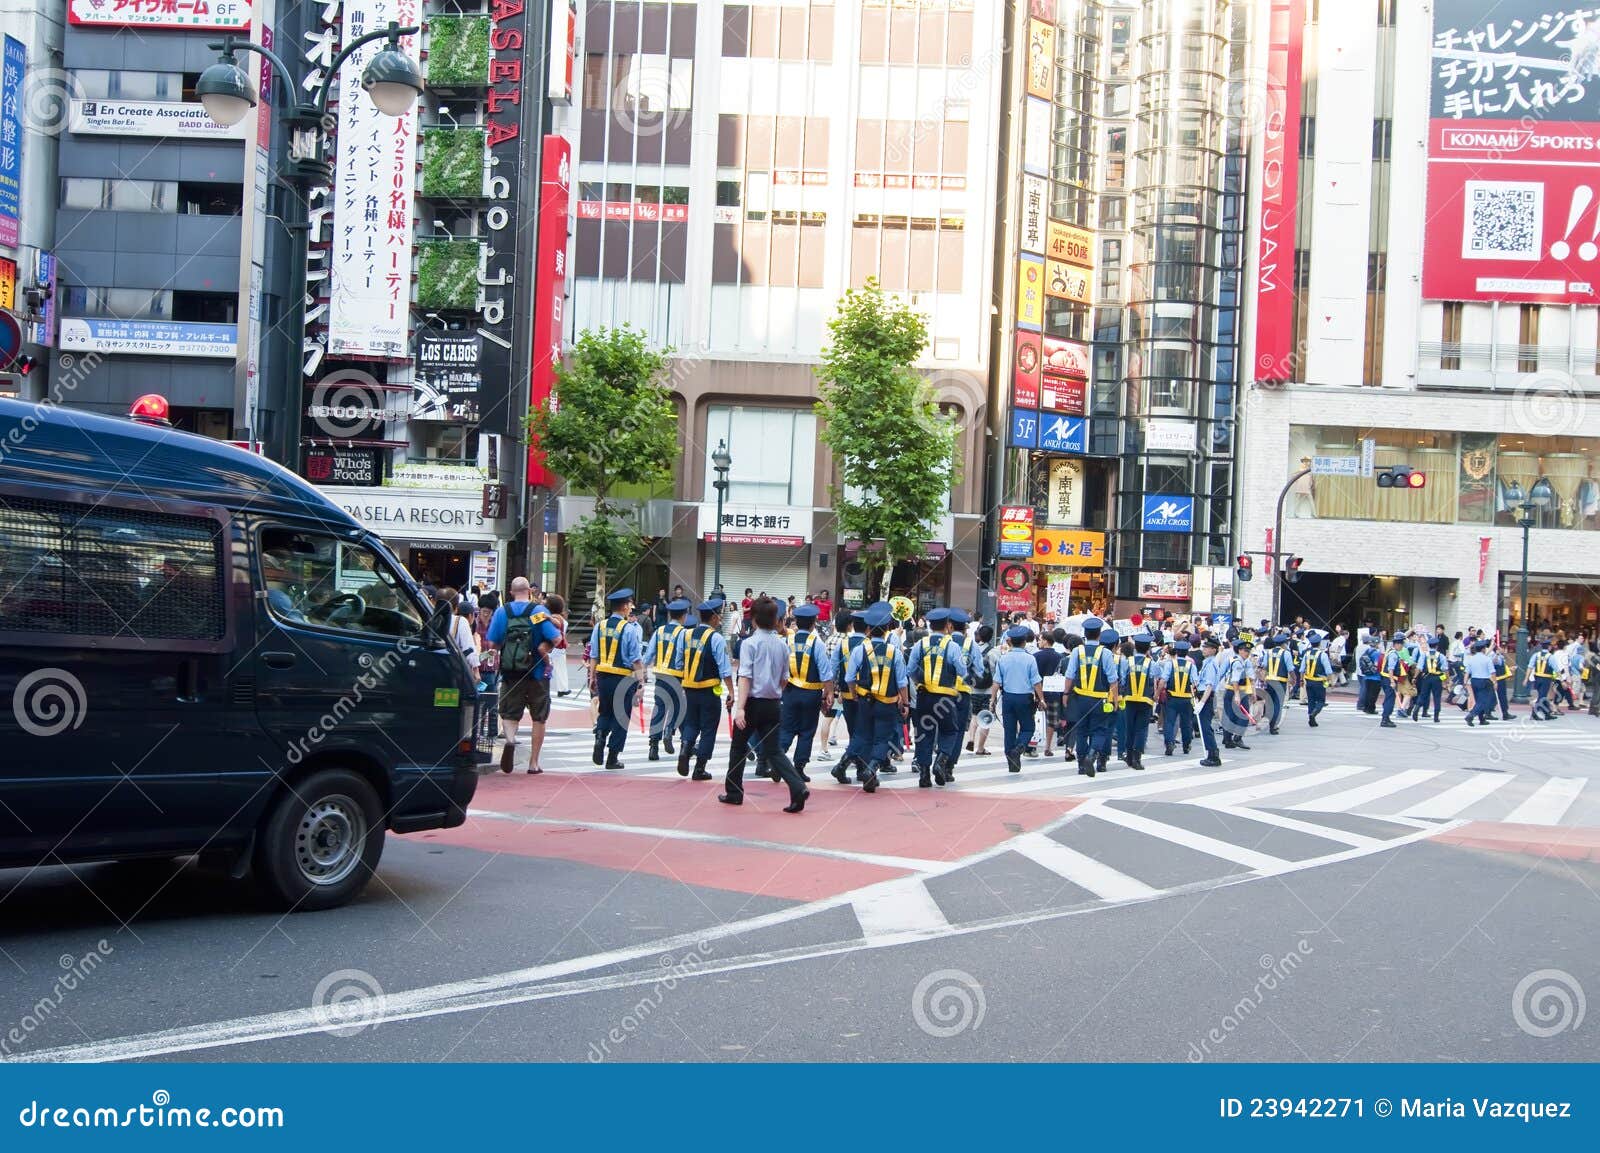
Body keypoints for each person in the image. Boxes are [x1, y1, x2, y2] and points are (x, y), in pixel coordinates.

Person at [719, 597, 808, 812]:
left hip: (752, 703)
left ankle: (734, 792)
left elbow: (745, 677)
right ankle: (797, 787)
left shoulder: (749, 644)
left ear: (755, 620)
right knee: (774, 751)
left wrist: (740, 708)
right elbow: (785, 678)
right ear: (776, 620)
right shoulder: (782, 646)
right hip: (774, 704)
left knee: (738, 748)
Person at [486, 577, 562, 775]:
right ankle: (533, 763)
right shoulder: (538, 612)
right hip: (537, 672)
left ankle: (510, 740)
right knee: (539, 717)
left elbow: (493, 644)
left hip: (511, 671)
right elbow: (555, 637)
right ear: (530, 591)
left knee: (510, 712)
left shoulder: (503, 612)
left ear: (511, 592)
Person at [842, 602, 909, 793]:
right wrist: (905, 703)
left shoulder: (859, 650)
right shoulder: (894, 652)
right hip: (887, 704)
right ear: (887, 630)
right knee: (882, 739)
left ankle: (846, 766)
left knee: (862, 735)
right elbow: (902, 682)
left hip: (864, 700)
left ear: (869, 629)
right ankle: (872, 768)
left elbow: (849, 678)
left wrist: (854, 695)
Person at [905, 607, 966, 788]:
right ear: (948, 625)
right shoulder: (952, 646)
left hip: (924, 696)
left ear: (930, 625)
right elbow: (962, 671)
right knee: (949, 730)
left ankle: (924, 774)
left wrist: (919, 682)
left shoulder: (920, 644)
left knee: (924, 733)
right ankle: (941, 759)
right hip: (946, 698)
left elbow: (910, 670)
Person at [675, 600, 734, 780]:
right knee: (708, 729)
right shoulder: (716, 638)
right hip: (709, 691)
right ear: (714, 618)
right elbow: (724, 669)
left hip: (689, 689)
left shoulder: (685, 635)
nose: (721, 618)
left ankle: (685, 749)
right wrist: (731, 692)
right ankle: (699, 768)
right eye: (720, 615)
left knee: (691, 723)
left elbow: (678, 663)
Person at [589, 588, 645, 769]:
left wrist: (592, 676)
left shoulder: (600, 626)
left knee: (605, 711)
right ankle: (612, 757)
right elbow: (635, 659)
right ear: (624, 606)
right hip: (623, 678)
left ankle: (599, 738)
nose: (631, 608)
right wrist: (641, 681)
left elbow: (594, 655)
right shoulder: (629, 629)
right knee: (621, 716)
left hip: (603, 676)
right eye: (630, 605)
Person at [777, 602, 833, 784]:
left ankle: (777, 763)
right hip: (811, 695)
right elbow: (826, 672)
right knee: (806, 732)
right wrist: (828, 693)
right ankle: (799, 767)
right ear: (813, 623)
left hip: (790, 692)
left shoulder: (787, 641)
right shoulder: (816, 643)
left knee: (787, 729)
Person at [1064, 616, 1120, 777]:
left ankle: (1081, 763)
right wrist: (1115, 700)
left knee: (1081, 730)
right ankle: (1092, 754)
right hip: (1100, 700)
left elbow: (1069, 675)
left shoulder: (1077, 651)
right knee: (1099, 730)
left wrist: (1066, 694)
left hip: (1080, 698)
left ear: (1085, 634)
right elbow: (1113, 680)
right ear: (1099, 635)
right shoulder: (1106, 653)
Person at [992, 625, 1045, 773]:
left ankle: (1011, 762)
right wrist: (1041, 699)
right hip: (1025, 698)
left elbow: (996, 681)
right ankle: (1020, 747)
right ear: (1024, 642)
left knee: (1009, 730)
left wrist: (992, 699)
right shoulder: (1030, 659)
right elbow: (1036, 681)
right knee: (1028, 727)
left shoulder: (1003, 658)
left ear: (1010, 641)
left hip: (1007, 697)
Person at [832, 611, 873, 786]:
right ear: (869, 628)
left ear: (852, 625)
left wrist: (833, 690)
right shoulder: (870, 645)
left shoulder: (842, 644)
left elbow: (833, 667)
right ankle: (850, 766)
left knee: (854, 732)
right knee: (864, 733)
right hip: (865, 696)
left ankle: (857, 767)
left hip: (847, 694)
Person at [647, 599, 690, 761]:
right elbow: (682, 656)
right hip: (677, 677)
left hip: (660, 676)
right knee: (679, 707)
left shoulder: (659, 631)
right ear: (684, 616)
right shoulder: (684, 633)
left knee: (659, 708)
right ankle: (671, 731)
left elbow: (649, 653)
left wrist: (641, 672)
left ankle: (653, 746)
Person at [1119, 631, 1157, 770]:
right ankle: (1137, 757)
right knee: (1141, 729)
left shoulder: (1127, 661)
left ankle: (1128, 756)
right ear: (1148, 649)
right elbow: (1155, 677)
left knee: (1129, 727)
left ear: (1135, 648)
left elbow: (1122, 679)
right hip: (1145, 700)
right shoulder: (1151, 663)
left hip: (1129, 698)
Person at [1158, 638, 1198, 755]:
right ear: (1187, 652)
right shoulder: (1191, 666)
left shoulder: (1170, 664)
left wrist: (1157, 693)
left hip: (1172, 697)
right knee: (1186, 723)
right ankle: (1186, 745)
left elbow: (1163, 680)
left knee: (1169, 722)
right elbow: (1195, 682)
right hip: (1186, 698)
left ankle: (1169, 743)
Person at [1193, 636, 1227, 767]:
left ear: (1214, 650)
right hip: (1202, 696)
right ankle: (1211, 753)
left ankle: (1213, 755)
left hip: (1206, 697)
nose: (1204, 649)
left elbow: (1209, 686)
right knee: (1203, 726)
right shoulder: (1207, 662)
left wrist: (1202, 702)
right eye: (1204, 647)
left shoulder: (1212, 664)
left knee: (1205, 727)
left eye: (1207, 648)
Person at [1033, 629, 1065, 757]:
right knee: (1051, 720)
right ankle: (1048, 747)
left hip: (1038, 691)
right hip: (1053, 691)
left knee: (1036, 720)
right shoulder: (1059, 656)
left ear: (1046, 641)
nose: (1039, 642)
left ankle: (1033, 745)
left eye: (1040, 640)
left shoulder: (1036, 656)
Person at [1223, 638, 1256, 749]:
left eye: (1248, 651)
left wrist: (1253, 692)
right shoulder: (1237, 662)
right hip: (1234, 691)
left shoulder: (1246, 662)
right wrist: (1237, 695)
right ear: (1240, 651)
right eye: (1245, 650)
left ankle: (1229, 739)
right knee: (1236, 716)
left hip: (1241, 691)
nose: (1247, 653)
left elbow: (1251, 678)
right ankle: (1234, 738)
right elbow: (1235, 680)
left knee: (1236, 716)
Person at [1259, 634, 1292, 735]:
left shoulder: (1269, 652)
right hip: (1280, 682)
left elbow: (1264, 667)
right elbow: (1290, 669)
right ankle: (1273, 725)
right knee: (1278, 703)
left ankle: (1268, 720)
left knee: (1270, 702)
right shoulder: (1286, 653)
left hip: (1269, 681)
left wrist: (1262, 679)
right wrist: (1294, 680)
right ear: (1283, 644)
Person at [1301, 632, 1333, 727]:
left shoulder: (1307, 654)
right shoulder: (1322, 655)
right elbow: (1328, 670)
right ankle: (1313, 714)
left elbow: (1302, 669)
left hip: (1308, 681)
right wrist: (1329, 681)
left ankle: (1311, 718)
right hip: (1319, 681)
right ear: (1319, 643)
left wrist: (1301, 680)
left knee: (1311, 700)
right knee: (1321, 701)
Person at [1412, 637, 1447, 723]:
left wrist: (1415, 677)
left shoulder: (1424, 655)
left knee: (1423, 695)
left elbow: (1419, 668)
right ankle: (1436, 717)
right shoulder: (1441, 656)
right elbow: (1445, 669)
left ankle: (1416, 708)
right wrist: (1446, 681)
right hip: (1437, 678)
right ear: (1436, 646)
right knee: (1437, 697)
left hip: (1426, 678)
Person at [1464, 640, 1497, 726]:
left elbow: (1467, 672)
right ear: (1483, 649)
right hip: (1485, 681)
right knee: (1484, 701)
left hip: (1474, 680)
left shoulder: (1471, 659)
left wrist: (1465, 682)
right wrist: (1495, 682)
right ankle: (1471, 715)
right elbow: (1492, 672)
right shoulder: (1487, 659)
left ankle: (1482, 719)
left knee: (1479, 700)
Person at [1378, 632, 1404, 728]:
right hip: (1389, 679)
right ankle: (1385, 719)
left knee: (1388, 698)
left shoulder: (1389, 651)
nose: (1402, 646)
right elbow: (1391, 669)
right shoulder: (1393, 654)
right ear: (1397, 644)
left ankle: (1386, 717)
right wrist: (1392, 681)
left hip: (1385, 678)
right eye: (1402, 644)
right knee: (1390, 699)